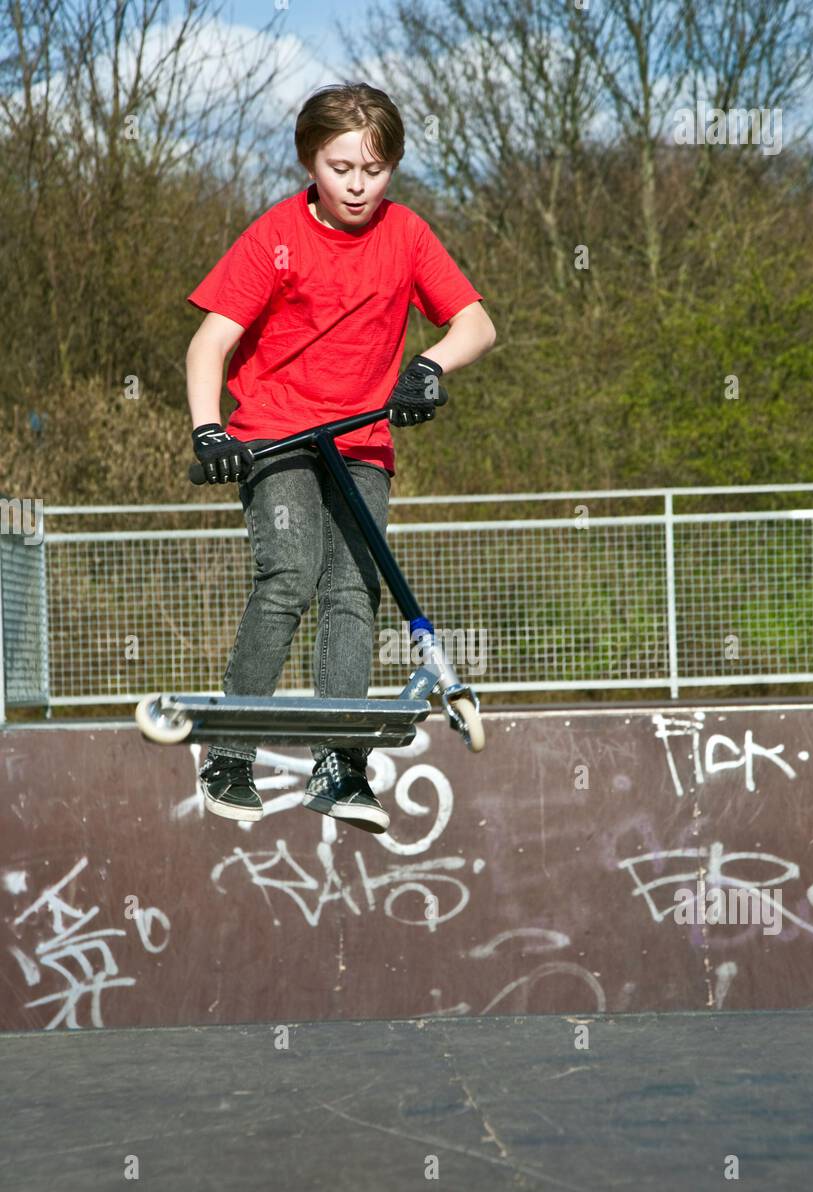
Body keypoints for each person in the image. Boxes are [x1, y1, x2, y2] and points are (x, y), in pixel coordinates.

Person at [185, 82, 496, 833]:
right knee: (291, 573)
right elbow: (210, 342)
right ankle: (229, 751)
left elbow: (476, 324)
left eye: (375, 169)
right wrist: (209, 431)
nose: (359, 185)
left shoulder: (407, 236)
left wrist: (429, 368)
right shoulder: (276, 237)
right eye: (342, 167)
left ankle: (341, 760)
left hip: (361, 440)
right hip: (276, 435)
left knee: (355, 590)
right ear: (309, 161)